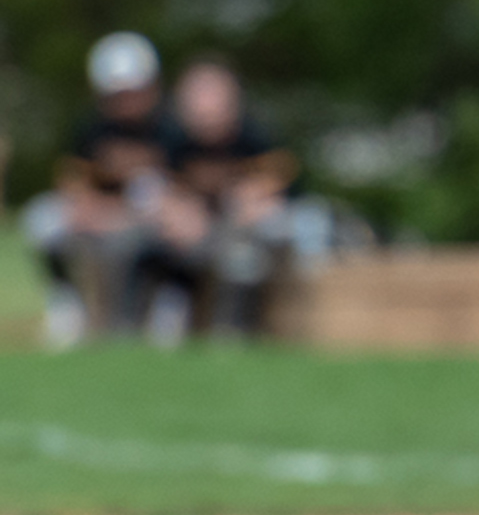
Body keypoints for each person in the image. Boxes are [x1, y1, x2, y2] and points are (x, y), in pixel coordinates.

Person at [21, 31, 173, 345]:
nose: (126, 101)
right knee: (42, 217)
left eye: (133, 91)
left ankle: (164, 307)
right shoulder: (91, 127)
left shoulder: (172, 127)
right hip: (102, 214)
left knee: (150, 196)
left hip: (150, 221)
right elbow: (72, 181)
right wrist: (89, 207)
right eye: (117, 93)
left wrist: (125, 213)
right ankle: (68, 302)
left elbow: (176, 192)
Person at [155, 59, 298, 339]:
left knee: (258, 239)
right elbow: (162, 188)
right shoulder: (172, 138)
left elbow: (281, 182)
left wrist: (251, 196)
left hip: (241, 231)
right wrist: (179, 211)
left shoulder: (255, 135)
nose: (207, 115)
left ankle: (245, 325)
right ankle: (171, 313)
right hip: (195, 234)